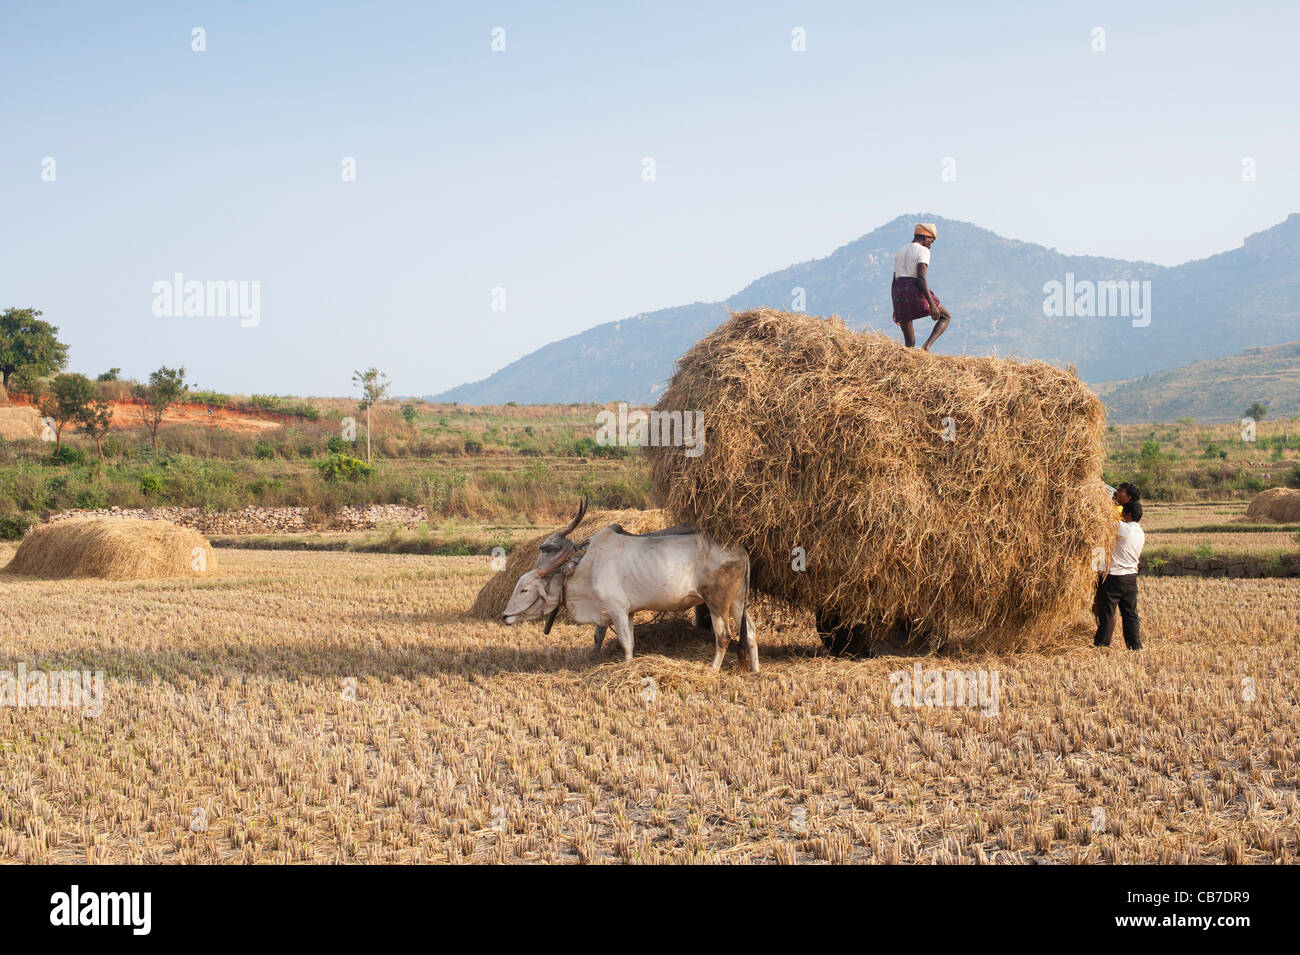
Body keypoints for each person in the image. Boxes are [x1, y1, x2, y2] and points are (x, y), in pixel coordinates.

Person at [1093, 495, 1145, 650]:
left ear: (1127, 515)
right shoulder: (1140, 532)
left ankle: (1102, 644)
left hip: (1115, 577)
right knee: (1130, 614)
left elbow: (1101, 522)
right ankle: (1135, 645)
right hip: (1131, 578)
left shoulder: (1122, 528)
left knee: (1107, 613)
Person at [891, 222, 952, 351]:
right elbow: (921, 277)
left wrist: (895, 307)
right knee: (946, 316)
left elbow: (894, 281)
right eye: (931, 241)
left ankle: (909, 359)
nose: (930, 245)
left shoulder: (900, 251)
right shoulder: (923, 251)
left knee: (909, 343)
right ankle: (926, 347)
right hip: (913, 289)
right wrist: (933, 305)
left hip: (899, 292)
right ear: (925, 237)